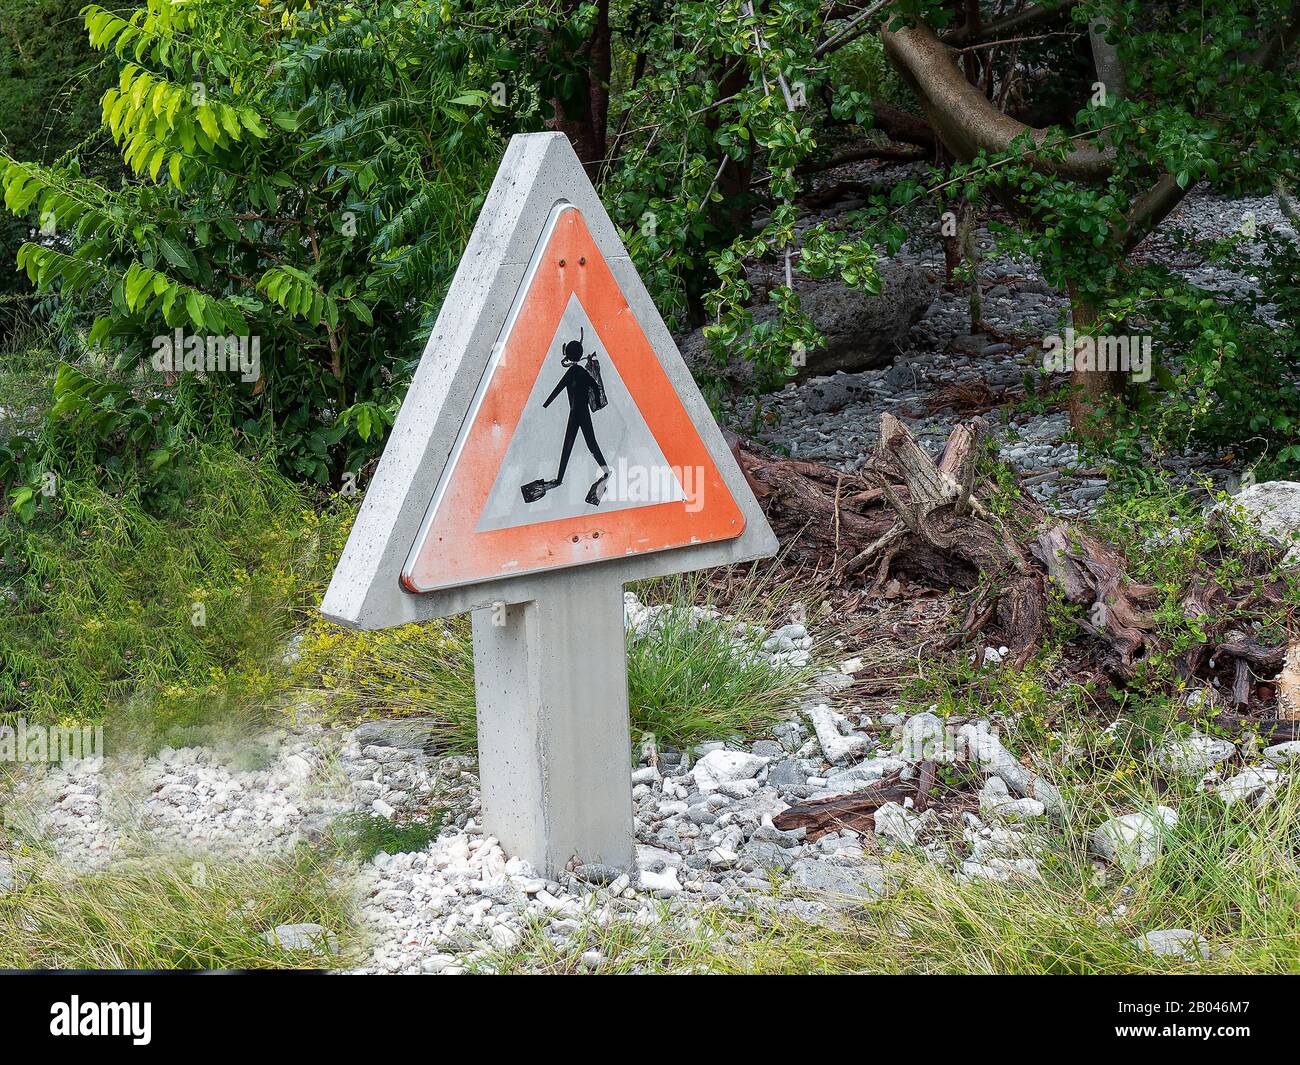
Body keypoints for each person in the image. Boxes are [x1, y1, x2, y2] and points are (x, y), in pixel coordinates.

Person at [520, 329, 612, 506]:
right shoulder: (582, 372)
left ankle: (558, 479)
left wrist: (545, 405)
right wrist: (598, 399)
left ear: (569, 355)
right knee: (590, 444)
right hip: (582, 413)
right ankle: (605, 472)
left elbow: (558, 388)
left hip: (575, 414)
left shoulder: (572, 373)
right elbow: (594, 385)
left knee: (568, 447)